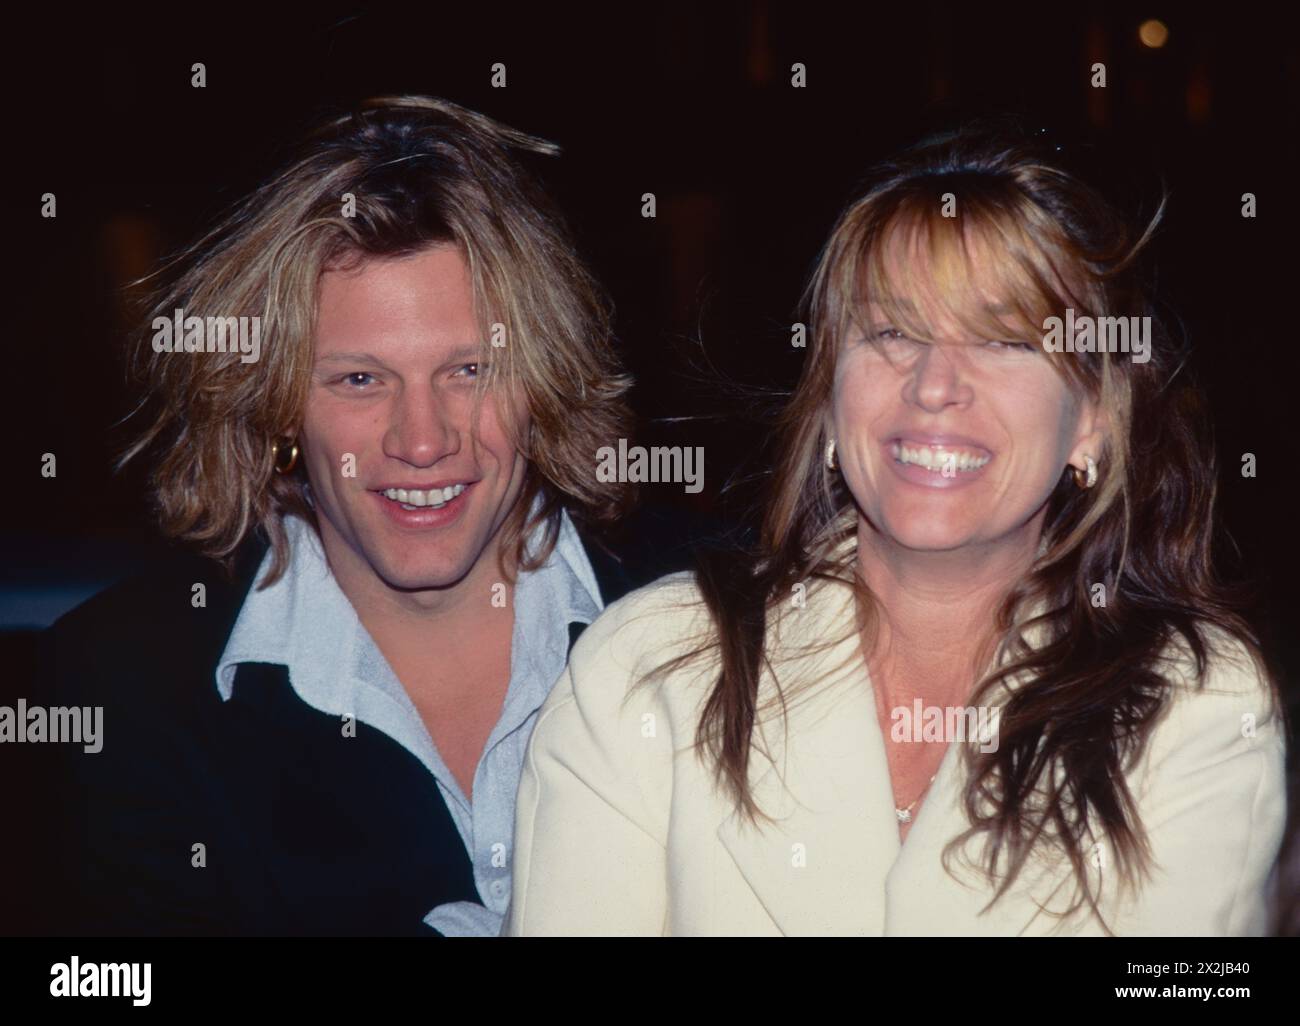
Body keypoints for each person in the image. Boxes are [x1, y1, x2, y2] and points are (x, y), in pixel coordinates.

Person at [503, 122, 1289, 936]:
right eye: (893, 332)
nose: (935, 385)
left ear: (1091, 418)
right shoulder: (651, 669)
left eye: (1004, 339)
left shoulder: (1193, 704)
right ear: (832, 396)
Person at [36, 95, 700, 936]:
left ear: (545, 379)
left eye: (470, 370)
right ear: (274, 403)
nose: (422, 441)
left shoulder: (712, 620)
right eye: (359, 380)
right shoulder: (126, 684)